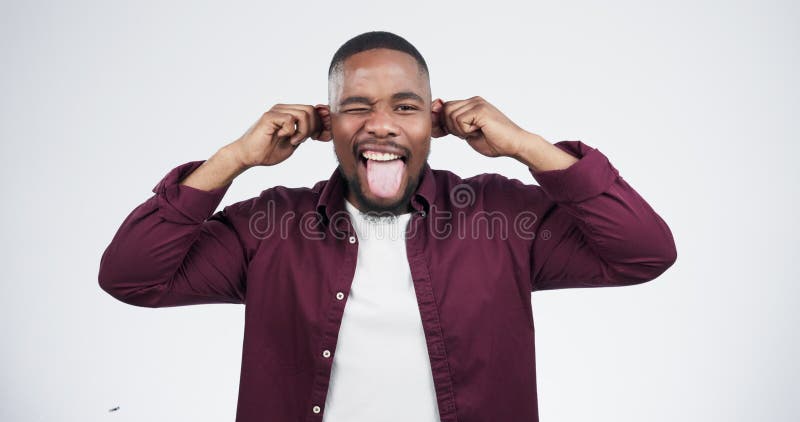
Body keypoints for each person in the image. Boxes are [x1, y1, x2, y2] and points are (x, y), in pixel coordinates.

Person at [98, 30, 677, 422]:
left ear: (435, 119)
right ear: (328, 123)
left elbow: (642, 252)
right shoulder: (268, 226)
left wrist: (525, 145)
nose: (380, 125)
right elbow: (132, 277)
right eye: (356, 107)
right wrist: (235, 157)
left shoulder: (503, 217)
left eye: (404, 106)